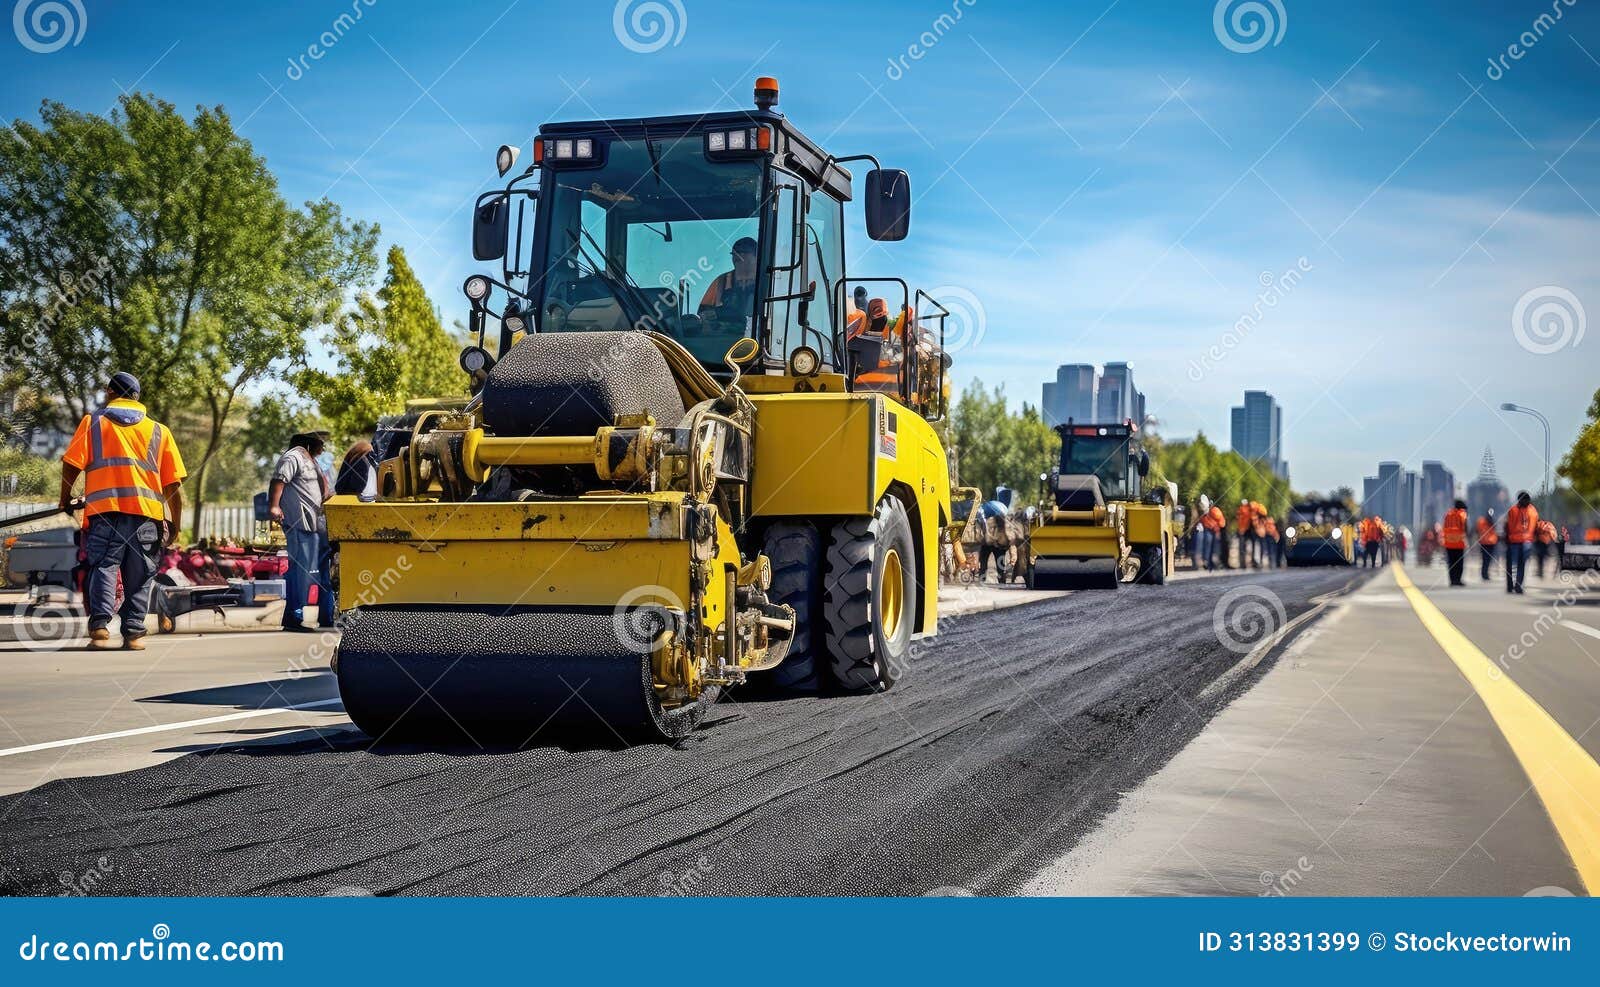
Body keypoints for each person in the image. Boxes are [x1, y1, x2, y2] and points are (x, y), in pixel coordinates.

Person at [58, 373, 187, 650]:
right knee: (141, 573)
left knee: (105, 565)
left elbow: (71, 464)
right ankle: (133, 633)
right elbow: (173, 485)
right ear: (137, 398)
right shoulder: (159, 431)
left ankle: (101, 628)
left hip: (106, 512)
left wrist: (64, 499)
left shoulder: (93, 423)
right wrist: (175, 522)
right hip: (147, 516)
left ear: (110, 392)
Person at [270, 432, 334, 631]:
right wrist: (274, 506)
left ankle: (325, 615)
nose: (322, 448)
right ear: (308, 444)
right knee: (301, 572)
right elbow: (278, 481)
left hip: (316, 525)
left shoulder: (311, 461)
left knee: (318, 572)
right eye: (319, 444)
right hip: (300, 524)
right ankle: (293, 615)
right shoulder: (293, 457)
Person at [697, 236, 759, 332]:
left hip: (756, 337)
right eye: (735, 253)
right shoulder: (721, 281)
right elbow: (702, 315)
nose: (738, 256)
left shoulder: (767, 282)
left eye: (744, 252)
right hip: (723, 340)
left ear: (757, 256)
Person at [1503, 491, 1537, 595]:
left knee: (1515, 564)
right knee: (1519, 565)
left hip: (1520, 542)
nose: (1525, 502)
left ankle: (1515, 585)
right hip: (1519, 541)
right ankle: (1516, 585)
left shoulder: (1514, 510)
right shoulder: (1532, 511)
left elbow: (1506, 525)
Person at [1442, 499, 1469, 587]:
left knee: (1451, 562)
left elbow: (1444, 527)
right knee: (1459, 563)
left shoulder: (1448, 514)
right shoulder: (1462, 514)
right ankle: (1458, 580)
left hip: (1449, 542)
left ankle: (1452, 580)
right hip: (1458, 543)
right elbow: (1465, 528)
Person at [1476, 509, 1498, 581]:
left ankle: (1485, 574)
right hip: (1484, 543)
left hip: (1491, 543)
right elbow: (1477, 530)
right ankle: (1484, 574)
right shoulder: (1481, 521)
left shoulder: (1492, 521)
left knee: (1488, 560)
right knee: (1485, 560)